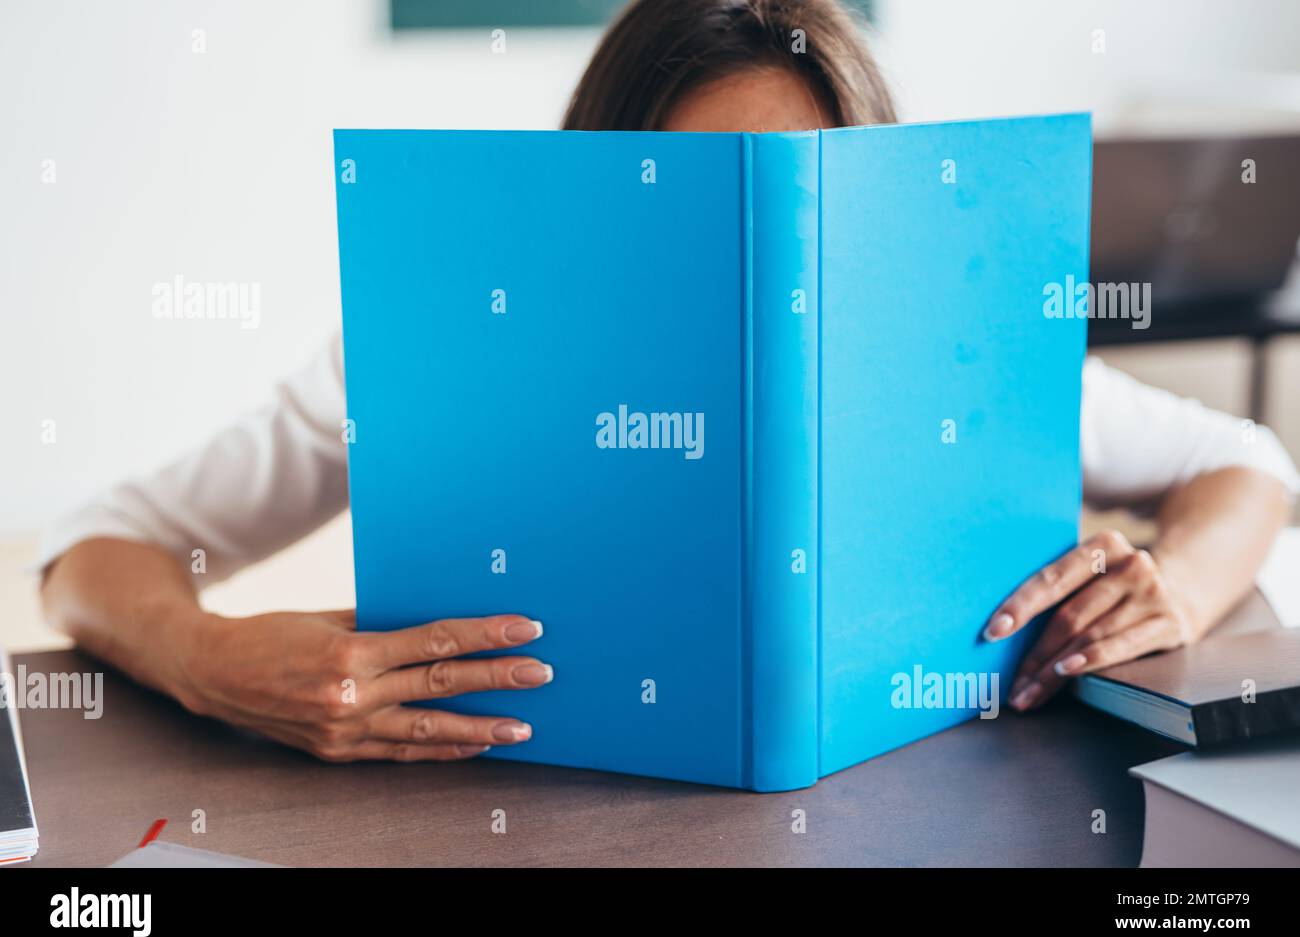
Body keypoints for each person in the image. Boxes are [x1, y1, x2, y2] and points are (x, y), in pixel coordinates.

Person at [39, 0, 1298, 762]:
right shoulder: (424, 354)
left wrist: (1177, 590)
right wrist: (204, 656)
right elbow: (94, 548)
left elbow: (1249, 457)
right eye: (690, 197)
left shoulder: (953, 353)